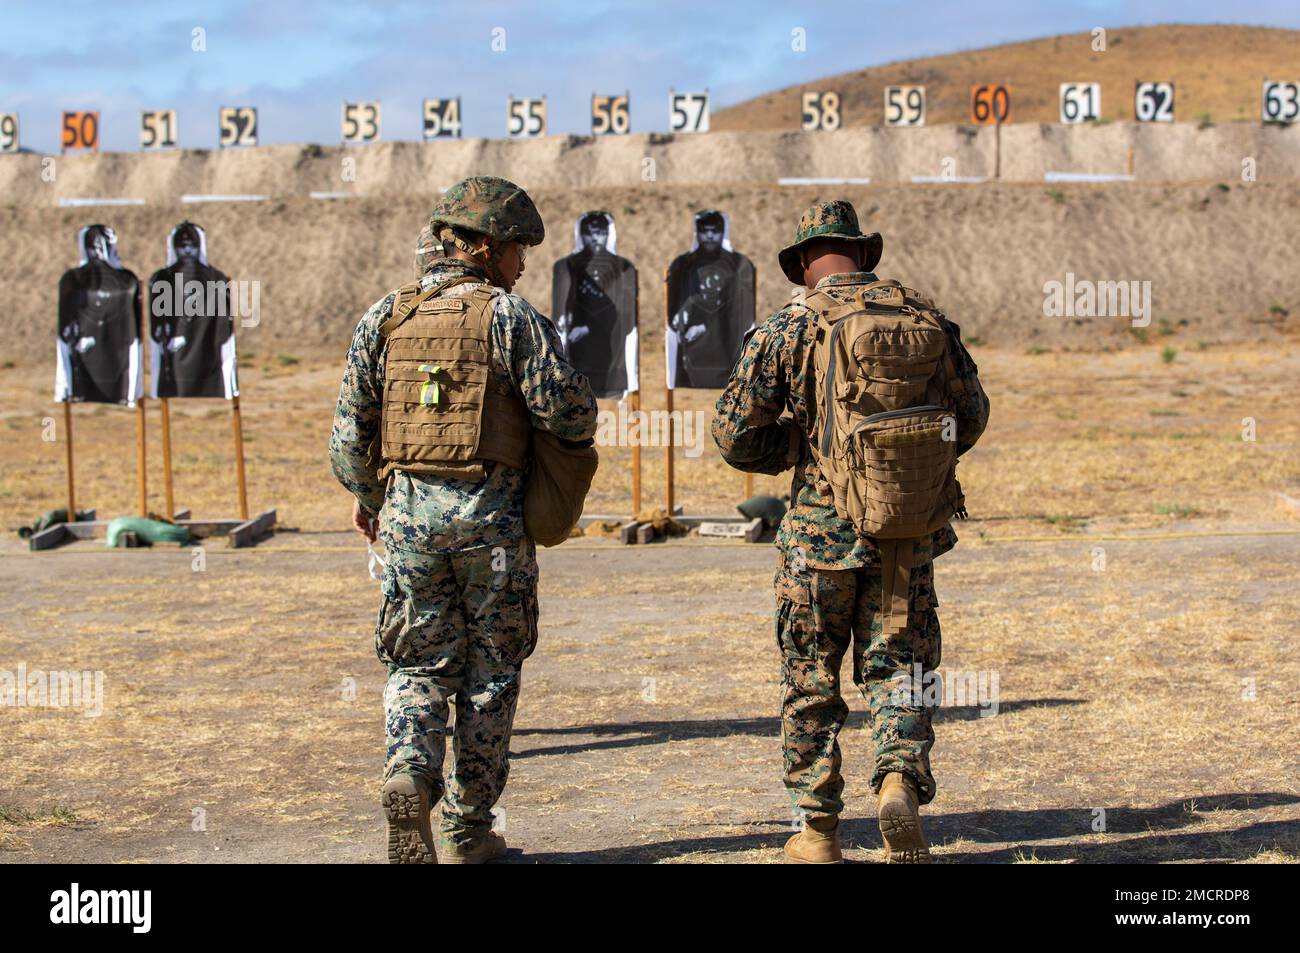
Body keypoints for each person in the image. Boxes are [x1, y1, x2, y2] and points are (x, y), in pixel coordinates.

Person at [329, 175, 597, 864]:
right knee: (491, 672)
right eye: (515, 249)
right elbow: (569, 413)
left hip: (409, 527)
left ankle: (409, 774)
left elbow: (346, 441)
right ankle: (467, 831)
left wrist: (376, 500)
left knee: (417, 662)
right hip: (492, 527)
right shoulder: (510, 319)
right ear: (482, 246)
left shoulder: (383, 318)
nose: (523, 264)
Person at [712, 200, 989, 864]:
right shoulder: (924, 319)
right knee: (901, 669)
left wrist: (798, 447)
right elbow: (971, 416)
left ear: (805, 262)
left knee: (811, 680)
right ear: (864, 254)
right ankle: (897, 779)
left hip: (817, 539)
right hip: (906, 535)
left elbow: (733, 435)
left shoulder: (786, 327)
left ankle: (817, 833)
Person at [551, 211, 637, 398]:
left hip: (611, 359)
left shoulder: (623, 268)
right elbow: (559, 312)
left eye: (600, 232)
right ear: (581, 235)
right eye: (589, 233)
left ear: (608, 234)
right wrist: (563, 318)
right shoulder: (566, 266)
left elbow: (627, 318)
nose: (595, 238)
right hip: (577, 358)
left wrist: (589, 327)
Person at [666, 210, 754, 389]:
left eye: (715, 231)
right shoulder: (682, 265)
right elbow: (674, 310)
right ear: (697, 233)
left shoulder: (738, 264)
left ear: (723, 232)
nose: (710, 236)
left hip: (727, 352)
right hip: (692, 355)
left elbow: (742, 313)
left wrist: (707, 327)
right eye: (705, 231)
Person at [147, 221, 235, 398]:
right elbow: (158, 321)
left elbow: (223, 325)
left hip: (206, 357)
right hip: (174, 358)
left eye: (192, 246)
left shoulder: (215, 278)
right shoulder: (162, 279)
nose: (187, 251)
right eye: (182, 246)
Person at [56, 224, 141, 405]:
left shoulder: (126, 281)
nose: (96, 253)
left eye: (100, 248)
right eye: (92, 248)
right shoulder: (72, 280)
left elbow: (130, 334)